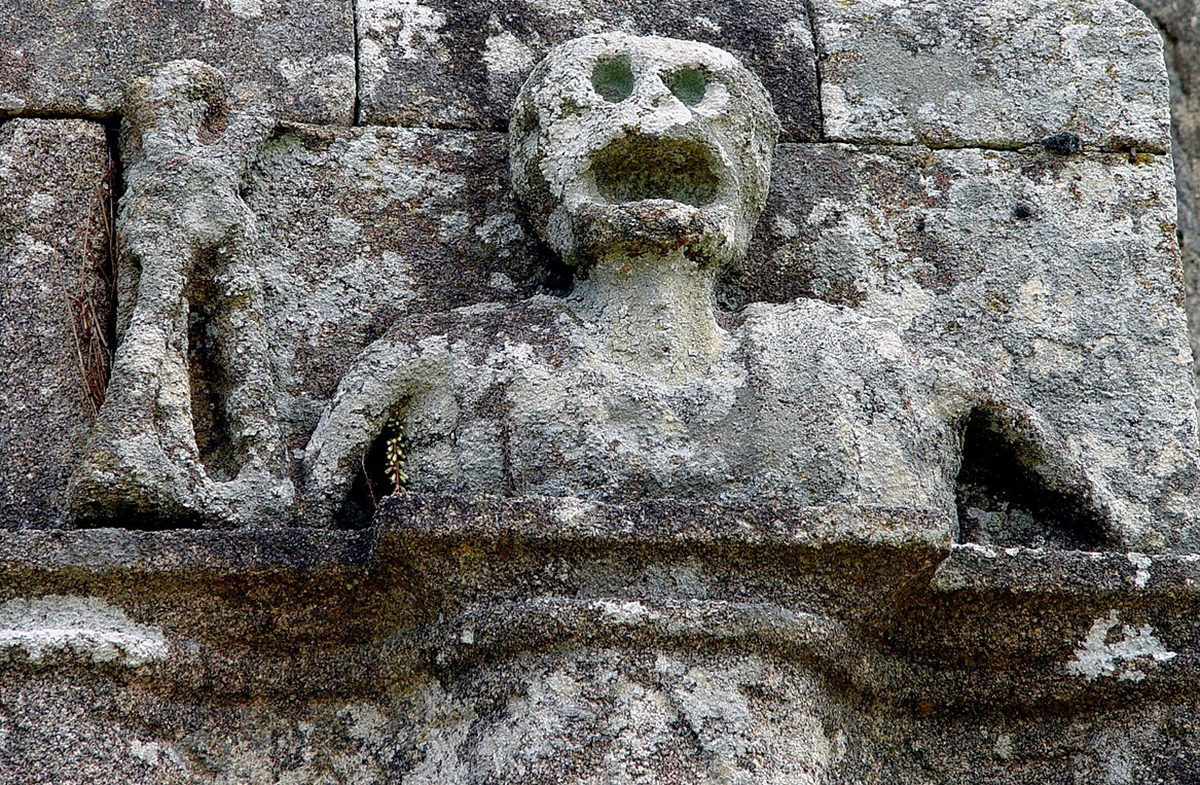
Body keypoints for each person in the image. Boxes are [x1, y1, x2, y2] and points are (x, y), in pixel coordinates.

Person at [70, 60, 292, 526]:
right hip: (187, 231)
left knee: (182, 330)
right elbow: (259, 113)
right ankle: (184, 456)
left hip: (192, 231)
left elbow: (256, 118)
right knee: (182, 330)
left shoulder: (161, 155)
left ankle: (194, 456)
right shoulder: (168, 159)